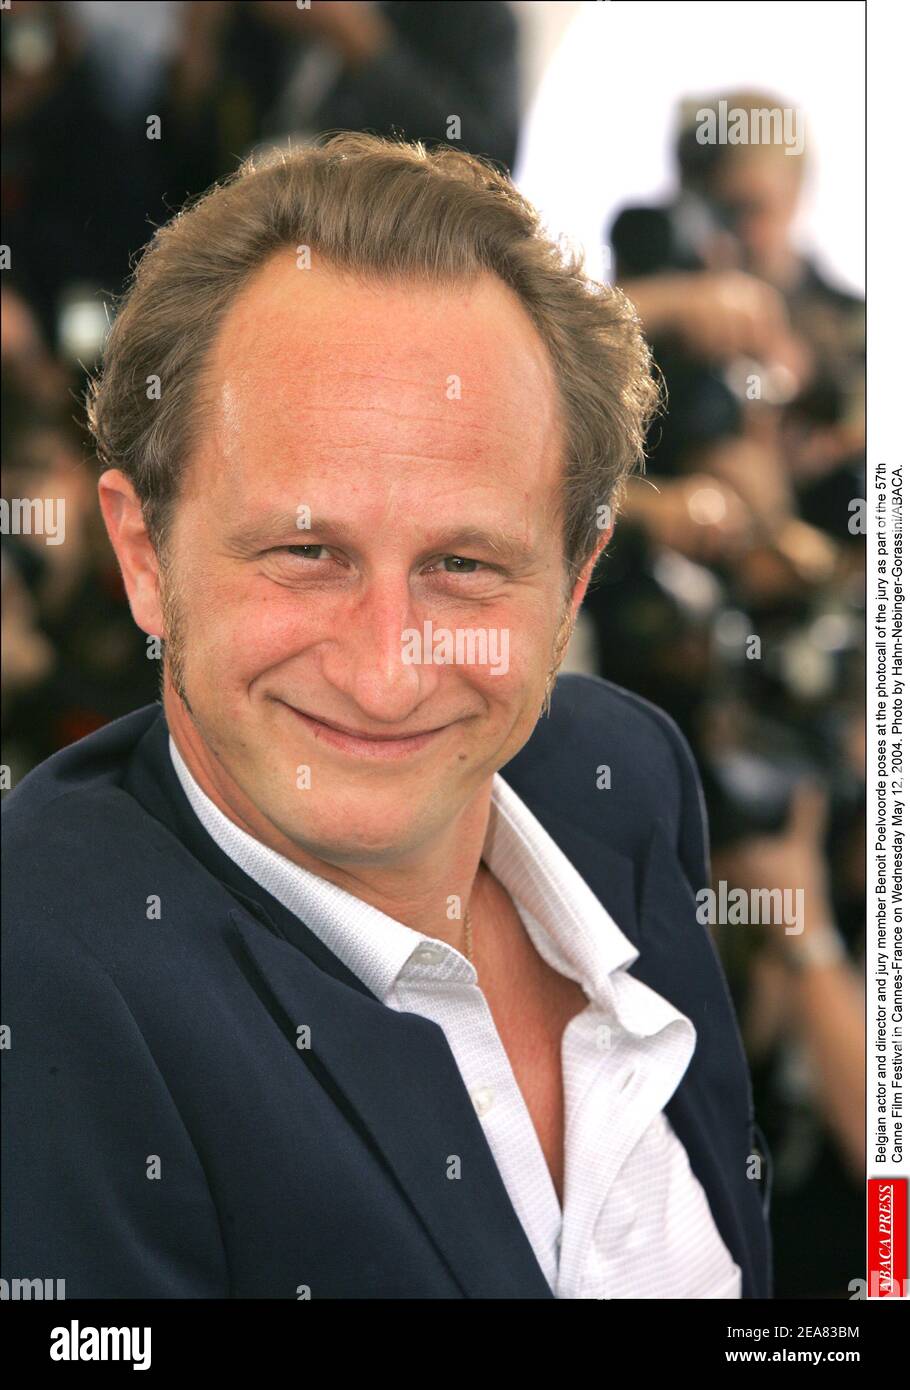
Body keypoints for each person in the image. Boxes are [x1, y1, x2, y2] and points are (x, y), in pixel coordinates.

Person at [2, 133, 770, 1299]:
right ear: (143, 555)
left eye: (464, 563)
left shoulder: (622, 773)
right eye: (306, 552)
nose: (387, 671)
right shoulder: (41, 985)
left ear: (572, 583)